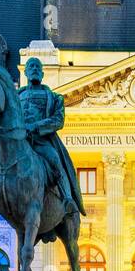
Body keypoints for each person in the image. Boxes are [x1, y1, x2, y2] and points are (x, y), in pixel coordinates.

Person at [17, 57, 85, 218]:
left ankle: (67, 198)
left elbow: (58, 120)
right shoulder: (17, 95)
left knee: (55, 160)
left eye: (37, 67)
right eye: (31, 66)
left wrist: (36, 127)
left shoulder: (54, 98)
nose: (34, 69)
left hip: (40, 141)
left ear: (42, 73)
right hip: (19, 141)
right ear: (25, 72)